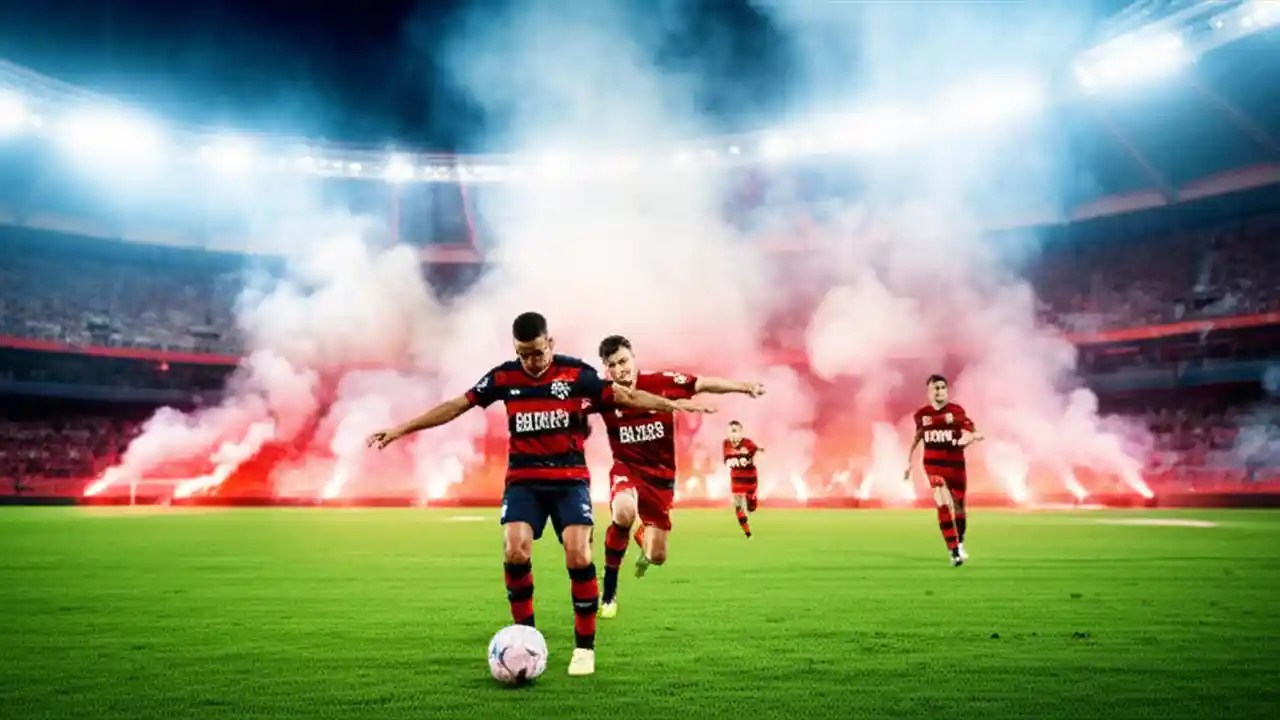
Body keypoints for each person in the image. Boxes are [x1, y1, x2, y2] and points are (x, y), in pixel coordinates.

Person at [367, 312, 713, 676]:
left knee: (579, 555)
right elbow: (458, 405)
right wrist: (401, 429)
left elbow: (626, 396)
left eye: (536, 352)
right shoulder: (504, 376)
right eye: (522, 354)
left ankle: (584, 649)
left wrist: (672, 404)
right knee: (514, 548)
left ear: (550, 343)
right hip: (524, 481)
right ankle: (525, 637)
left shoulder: (577, 375)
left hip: (569, 480)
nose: (530, 361)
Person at [592, 334, 764, 619]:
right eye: (613, 365)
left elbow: (702, 383)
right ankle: (608, 592)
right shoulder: (606, 394)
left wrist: (744, 387)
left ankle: (643, 535)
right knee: (622, 512)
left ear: (633, 358)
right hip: (627, 470)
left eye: (623, 361)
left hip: (660, 480)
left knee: (657, 557)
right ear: (606, 369)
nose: (620, 369)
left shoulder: (662, 383)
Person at [904, 374, 984, 566]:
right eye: (936, 388)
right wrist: (909, 463)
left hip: (955, 465)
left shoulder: (956, 412)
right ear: (929, 391)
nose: (940, 391)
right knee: (941, 502)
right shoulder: (921, 415)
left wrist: (972, 437)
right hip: (933, 465)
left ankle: (960, 541)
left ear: (946, 391)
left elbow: (972, 431)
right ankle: (953, 551)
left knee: (958, 507)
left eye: (942, 388)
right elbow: (918, 437)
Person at [723, 420, 764, 538]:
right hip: (736, 479)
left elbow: (757, 452)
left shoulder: (748, 443)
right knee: (737, 505)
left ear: (740, 432)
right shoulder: (726, 444)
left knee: (751, 507)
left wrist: (759, 452)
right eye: (731, 431)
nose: (733, 434)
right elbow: (726, 460)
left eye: (735, 431)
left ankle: (752, 499)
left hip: (750, 479)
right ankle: (747, 532)